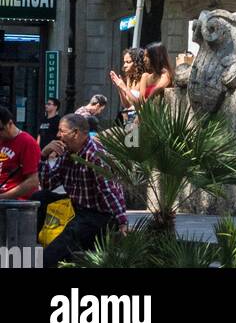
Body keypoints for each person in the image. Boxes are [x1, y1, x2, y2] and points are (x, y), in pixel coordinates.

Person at [37, 112, 127, 268]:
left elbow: (110, 191)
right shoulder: (67, 153)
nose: (58, 135)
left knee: (67, 238)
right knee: (40, 197)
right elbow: (48, 184)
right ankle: (29, 239)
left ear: (76, 133)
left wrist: (122, 222)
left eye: (62, 131)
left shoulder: (95, 156)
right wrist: (43, 157)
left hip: (100, 215)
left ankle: (43, 262)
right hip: (76, 206)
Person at [0, 104, 40, 199]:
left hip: (16, 203)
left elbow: (33, 181)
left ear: (10, 123)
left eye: (0, 129)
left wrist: (2, 197)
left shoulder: (27, 143)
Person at [109, 47, 146, 116]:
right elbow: (127, 105)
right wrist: (119, 87)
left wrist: (124, 88)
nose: (125, 65)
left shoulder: (144, 77)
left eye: (128, 62)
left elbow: (140, 104)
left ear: (137, 62)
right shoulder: (130, 78)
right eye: (124, 62)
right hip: (130, 117)